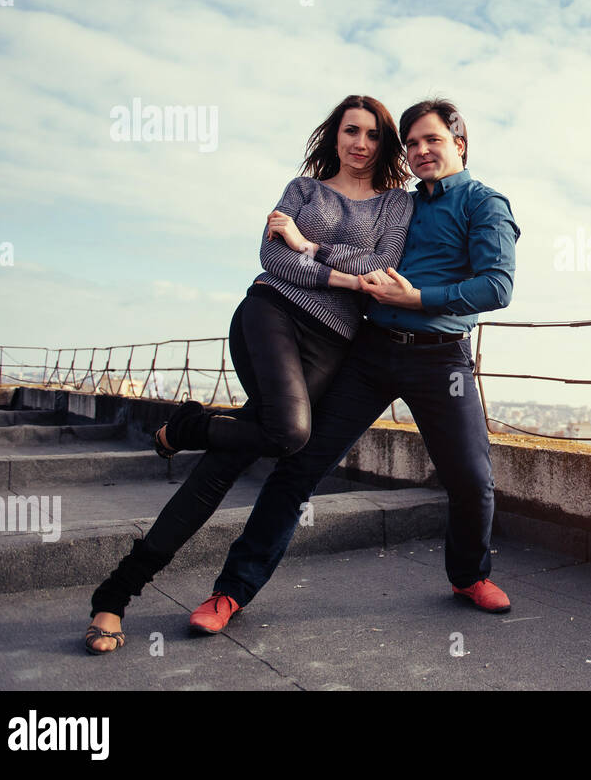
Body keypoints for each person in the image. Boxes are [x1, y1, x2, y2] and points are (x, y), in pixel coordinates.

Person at [83, 94, 414, 655]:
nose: (360, 143)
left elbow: (380, 267)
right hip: (271, 311)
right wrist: (345, 278)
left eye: (373, 134)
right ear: (334, 135)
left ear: (384, 143)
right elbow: (274, 260)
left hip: (331, 342)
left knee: (235, 455)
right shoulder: (303, 189)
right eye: (350, 130)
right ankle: (116, 594)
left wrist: (308, 245)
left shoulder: (395, 205)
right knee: (289, 431)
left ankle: (116, 586)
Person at [184, 97, 520, 634]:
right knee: (298, 468)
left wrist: (419, 298)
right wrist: (309, 246)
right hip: (372, 349)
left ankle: (469, 576)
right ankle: (231, 592)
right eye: (411, 143)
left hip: (441, 358)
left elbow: (497, 286)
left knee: (473, 479)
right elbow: (364, 261)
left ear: (459, 143)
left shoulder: (484, 203)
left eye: (432, 140)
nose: (420, 151)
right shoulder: (400, 204)